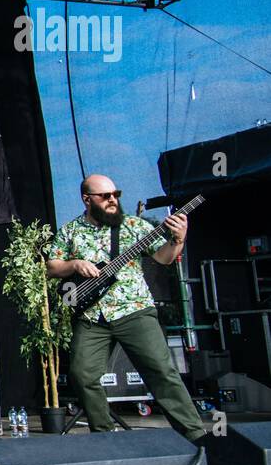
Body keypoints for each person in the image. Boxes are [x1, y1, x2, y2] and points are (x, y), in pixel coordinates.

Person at [45, 173, 204, 441]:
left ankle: (196, 435)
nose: (112, 200)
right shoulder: (71, 231)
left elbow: (163, 258)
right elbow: (51, 267)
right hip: (92, 315)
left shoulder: (133, 226)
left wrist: (178, 240)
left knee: (161, 371)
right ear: (87, 199)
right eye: (105, 196)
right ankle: (104, 437)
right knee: (82, 375)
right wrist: (74, 265)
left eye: (115, 194)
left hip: (134, 310)